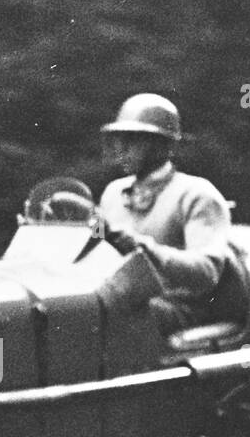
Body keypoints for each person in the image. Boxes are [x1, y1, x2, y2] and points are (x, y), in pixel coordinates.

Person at [96, 93, 237, 332]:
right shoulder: (114, 192)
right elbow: (97, 240)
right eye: (120, 140)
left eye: (133, 140)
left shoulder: (196, 193)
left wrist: (146, 249)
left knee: (89, 317)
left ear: (163, 145)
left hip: (174, 311)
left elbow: (208, 270)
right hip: (121, 297)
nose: (122, 150)